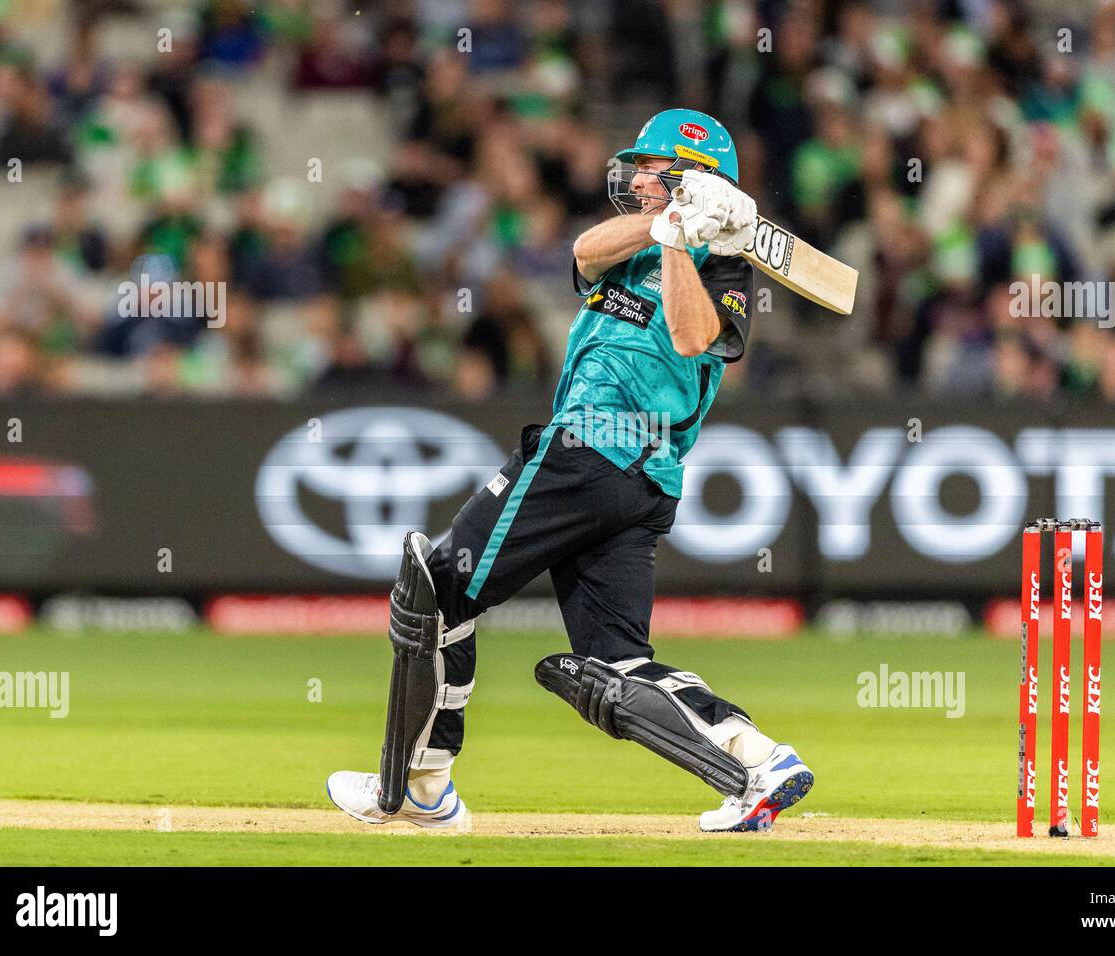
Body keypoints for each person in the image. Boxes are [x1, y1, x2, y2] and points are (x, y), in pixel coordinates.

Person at [327, 109, 814, 833]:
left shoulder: (730, 270)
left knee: (436, 592)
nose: (639, 178)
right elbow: (585, 250)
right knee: (618, 664)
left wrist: (686, 240)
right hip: (627, 482)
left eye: (655, 168)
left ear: (697, 176)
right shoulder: (628, 246)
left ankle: (423, 788)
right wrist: (672, 219)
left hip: (593, 453)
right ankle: (758, 762)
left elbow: (689, 337)